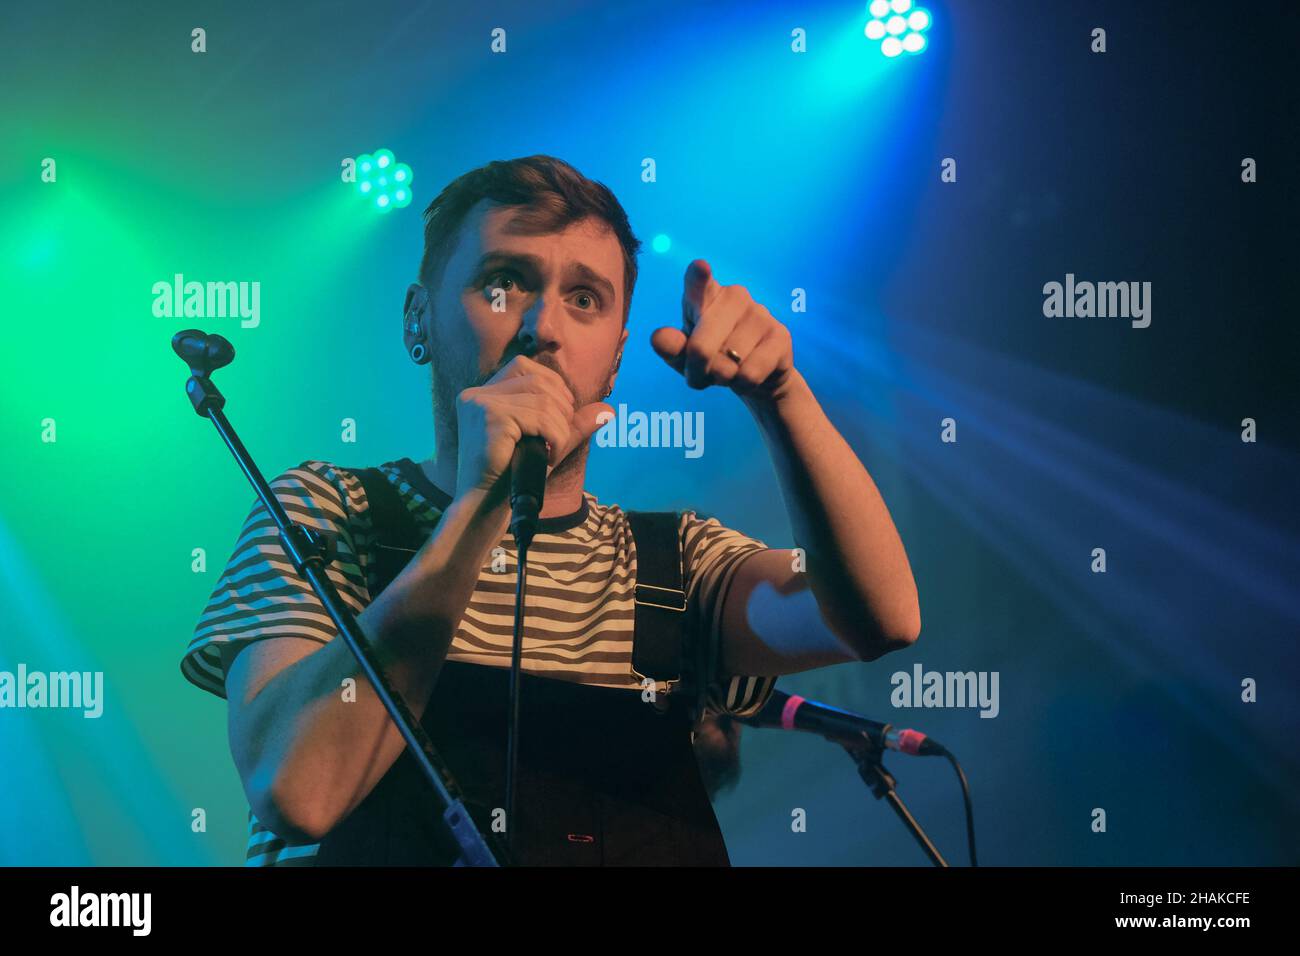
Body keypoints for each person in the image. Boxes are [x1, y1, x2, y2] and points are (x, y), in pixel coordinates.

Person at [180, 154, 921, 866]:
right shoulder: (328, 510)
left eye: (585, 299)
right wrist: (481, 502)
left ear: (618, 352)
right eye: (503, 283)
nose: (545, 327)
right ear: (419, 320)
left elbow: (881, 619)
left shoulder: (674, 563)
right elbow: (298, 791)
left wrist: (783, 396)